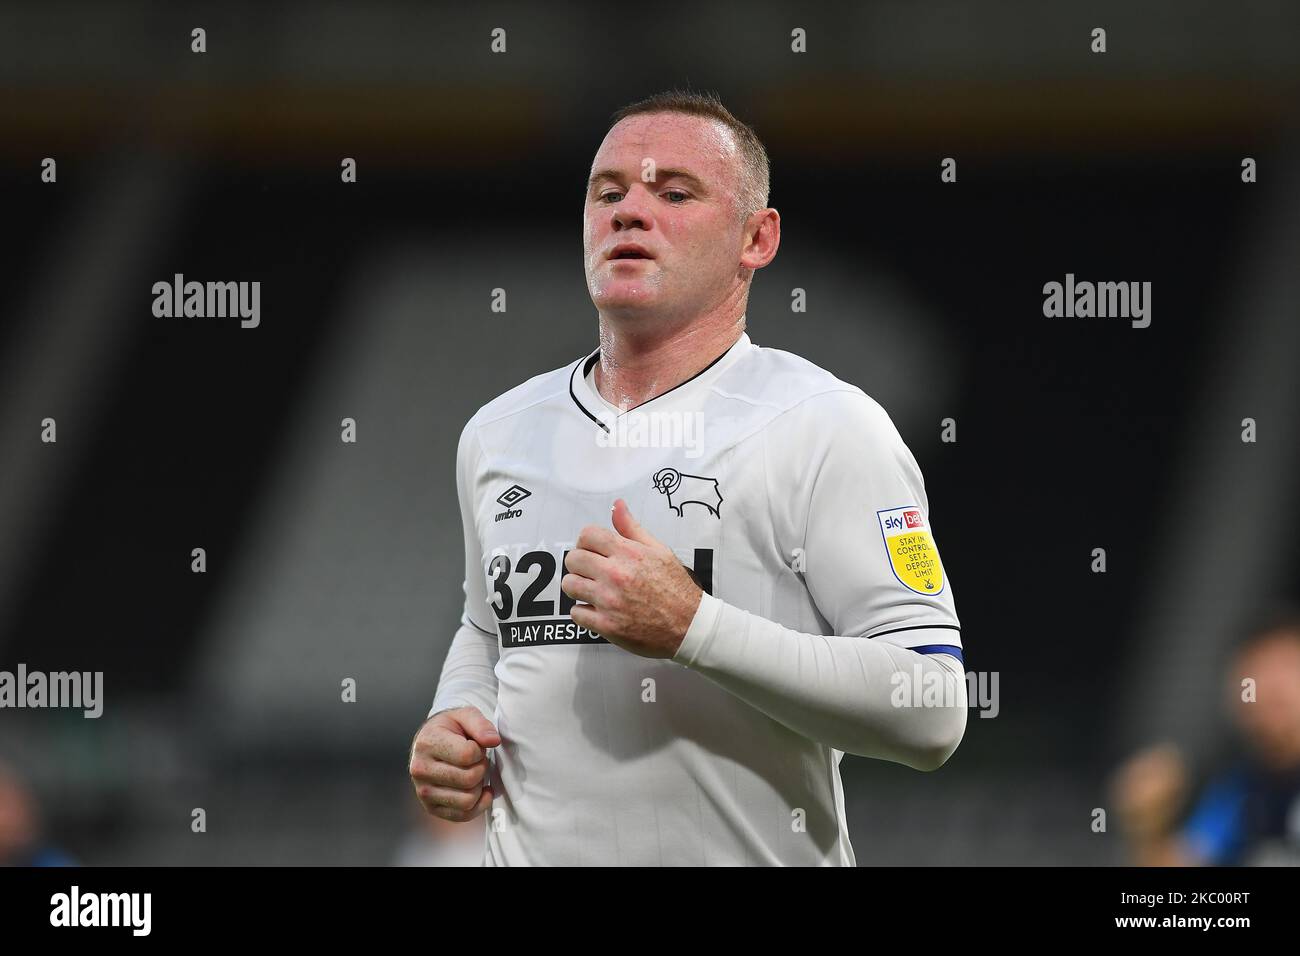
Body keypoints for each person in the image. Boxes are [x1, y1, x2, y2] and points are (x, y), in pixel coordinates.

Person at [408, 90, 967, 866]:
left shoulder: (824, 425)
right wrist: (455, 717)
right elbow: (483, 629)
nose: (629, 212)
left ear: (756, 238)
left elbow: (932, 709)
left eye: (674, 192)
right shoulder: (499, 432)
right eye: (609, 193)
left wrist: (695, 628)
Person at [1112, 610, 1300, 865]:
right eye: (1252, 676)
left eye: (1285, 668)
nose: (1265, 688)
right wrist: (1149, 828)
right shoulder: (1241, 791)